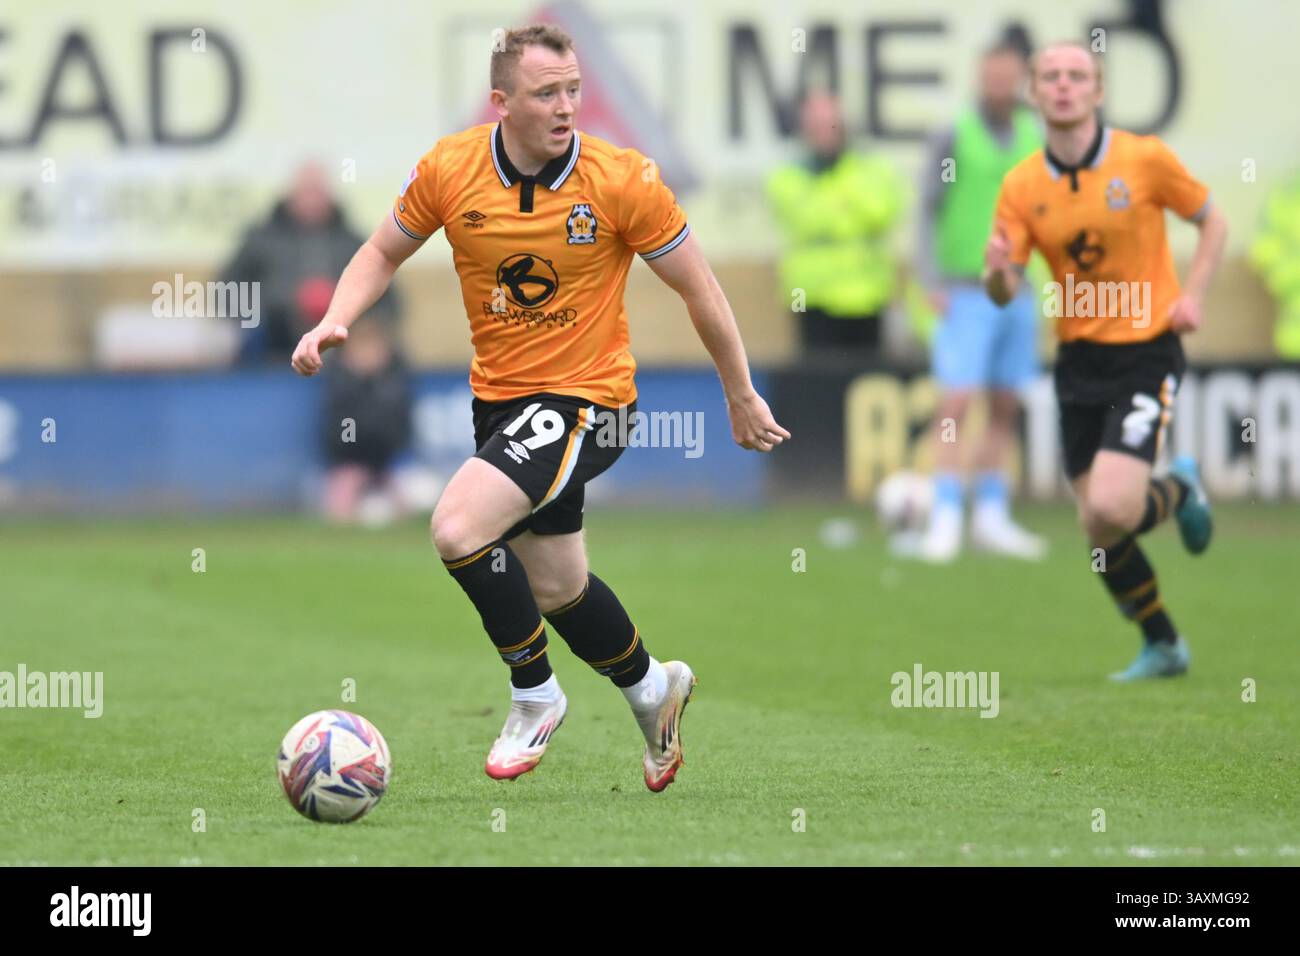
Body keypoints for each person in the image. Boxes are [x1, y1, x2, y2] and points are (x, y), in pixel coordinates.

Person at [291, 24, 789, 788]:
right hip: (502, 405)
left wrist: (739, 390)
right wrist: (338, 318)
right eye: (546, 94)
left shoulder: (622, 179)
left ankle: (535, 692)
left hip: (595, 403)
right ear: (501, 103)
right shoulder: (451, 168)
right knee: (557, 587)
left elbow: (699, 287)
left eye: (574, 91)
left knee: (457, 526)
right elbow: (382, 251)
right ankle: (654, 690)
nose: (566, 108)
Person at [984, 41, 1227, 680]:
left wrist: (1193, 296)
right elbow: (1005, 284)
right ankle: (1164, 643)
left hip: (1145, 351)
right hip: (1077, 362)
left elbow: (1213, 220)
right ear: (1034, 92)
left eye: (1077, 76)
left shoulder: (1143, 160)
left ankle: (1180, 486)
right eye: (1051, 77)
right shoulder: (1022, 185)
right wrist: (995, 275)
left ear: (1097, 91)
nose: (1063, 87)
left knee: (1116, 507)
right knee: (1098, 528)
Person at [904, 41, 1046, 563]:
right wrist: (928, 278)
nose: (999, 85)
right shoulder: (954, 133)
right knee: (957, 403)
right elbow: (926, 209)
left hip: (1017, 289)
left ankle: (992, 515)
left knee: (1006, 402)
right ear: (979, 78)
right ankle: (944, 516)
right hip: (964, 287)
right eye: (991, 76)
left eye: (1008, 77)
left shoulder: (1035, 134)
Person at [766, 91, 904, 361]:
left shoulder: (872, 168)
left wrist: (832, 195)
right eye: (816, 126)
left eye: (831, 124)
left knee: (866, 379)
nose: (825, 133)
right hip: (815, 297)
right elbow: (805, 221)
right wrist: (846, 202)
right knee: (819, 381)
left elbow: (881, 213)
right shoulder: (787, 176)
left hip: (868, 296)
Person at [221, 162, 400, 364]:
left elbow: (388, 300)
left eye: (318, 192)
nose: (312, 200)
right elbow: (227, 290)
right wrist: (278, 309)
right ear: (291, 194)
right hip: (274, 348)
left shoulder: (353, 243)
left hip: (343, 352)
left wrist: (352, 317)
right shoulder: (260, 240)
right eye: (307, 192)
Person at [319, 318, 413, 524]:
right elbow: (341, 434)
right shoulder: (341, 384)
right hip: (349, 463)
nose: (369, 356)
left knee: (409, 504)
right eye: (363, 349)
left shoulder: (395, 382)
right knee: (340, 509)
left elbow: (400, 428)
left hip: (388, 463)